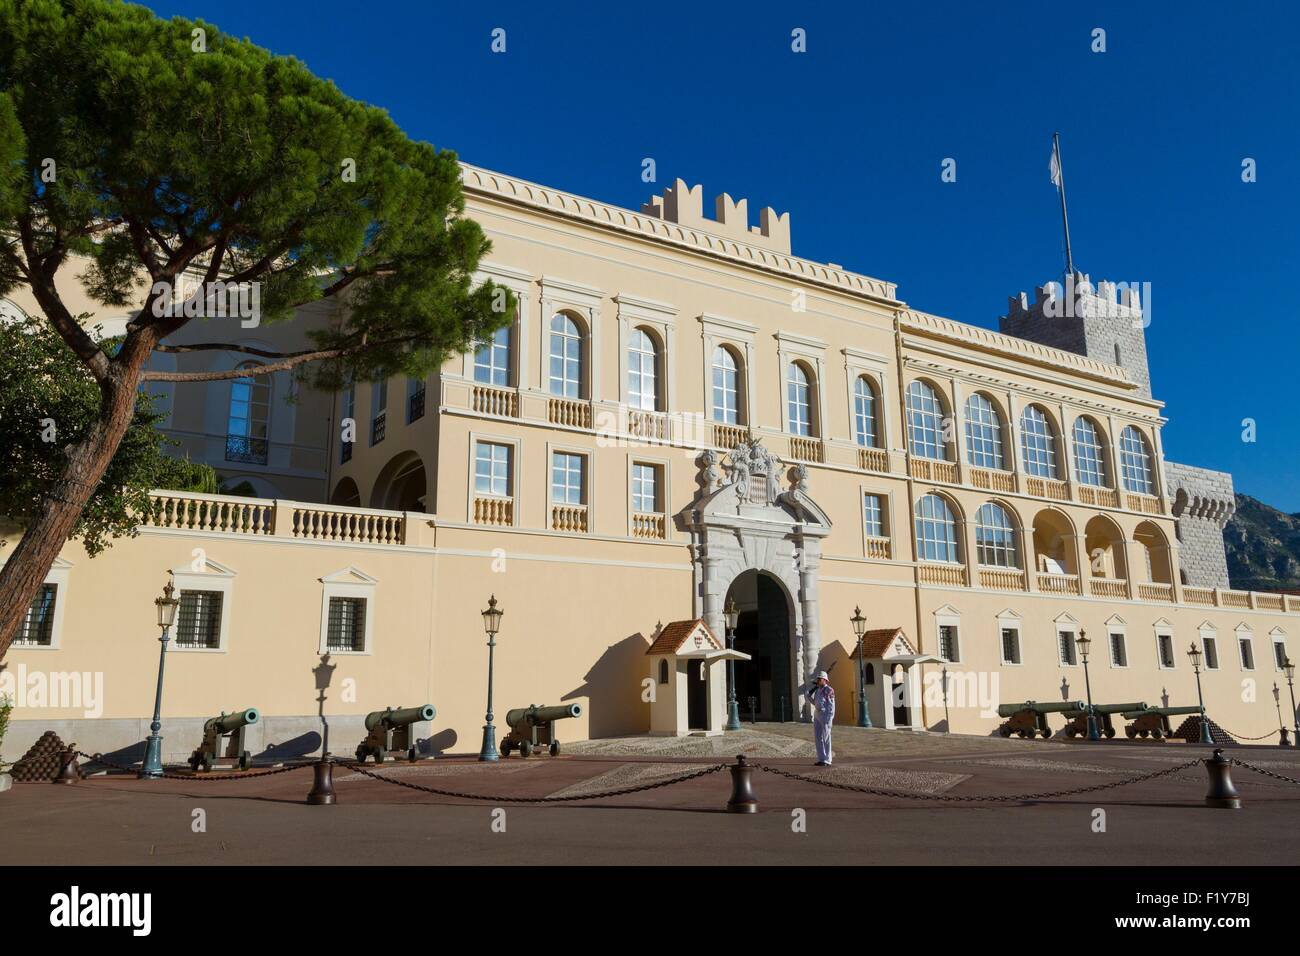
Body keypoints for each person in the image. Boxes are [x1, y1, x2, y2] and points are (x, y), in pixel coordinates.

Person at [805, 670, 835, 766]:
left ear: (825, 680)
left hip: (825, 715)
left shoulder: (829, 690)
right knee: (818, 738)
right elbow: (815, 703)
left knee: (826, 738)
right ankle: (821, 758)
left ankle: (827, 759)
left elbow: (831, 706)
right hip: (817, 714)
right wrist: (809, 697)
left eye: (820, 679)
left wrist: (830, 718)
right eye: (818, 679)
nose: (818, 681)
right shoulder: (817, 690)